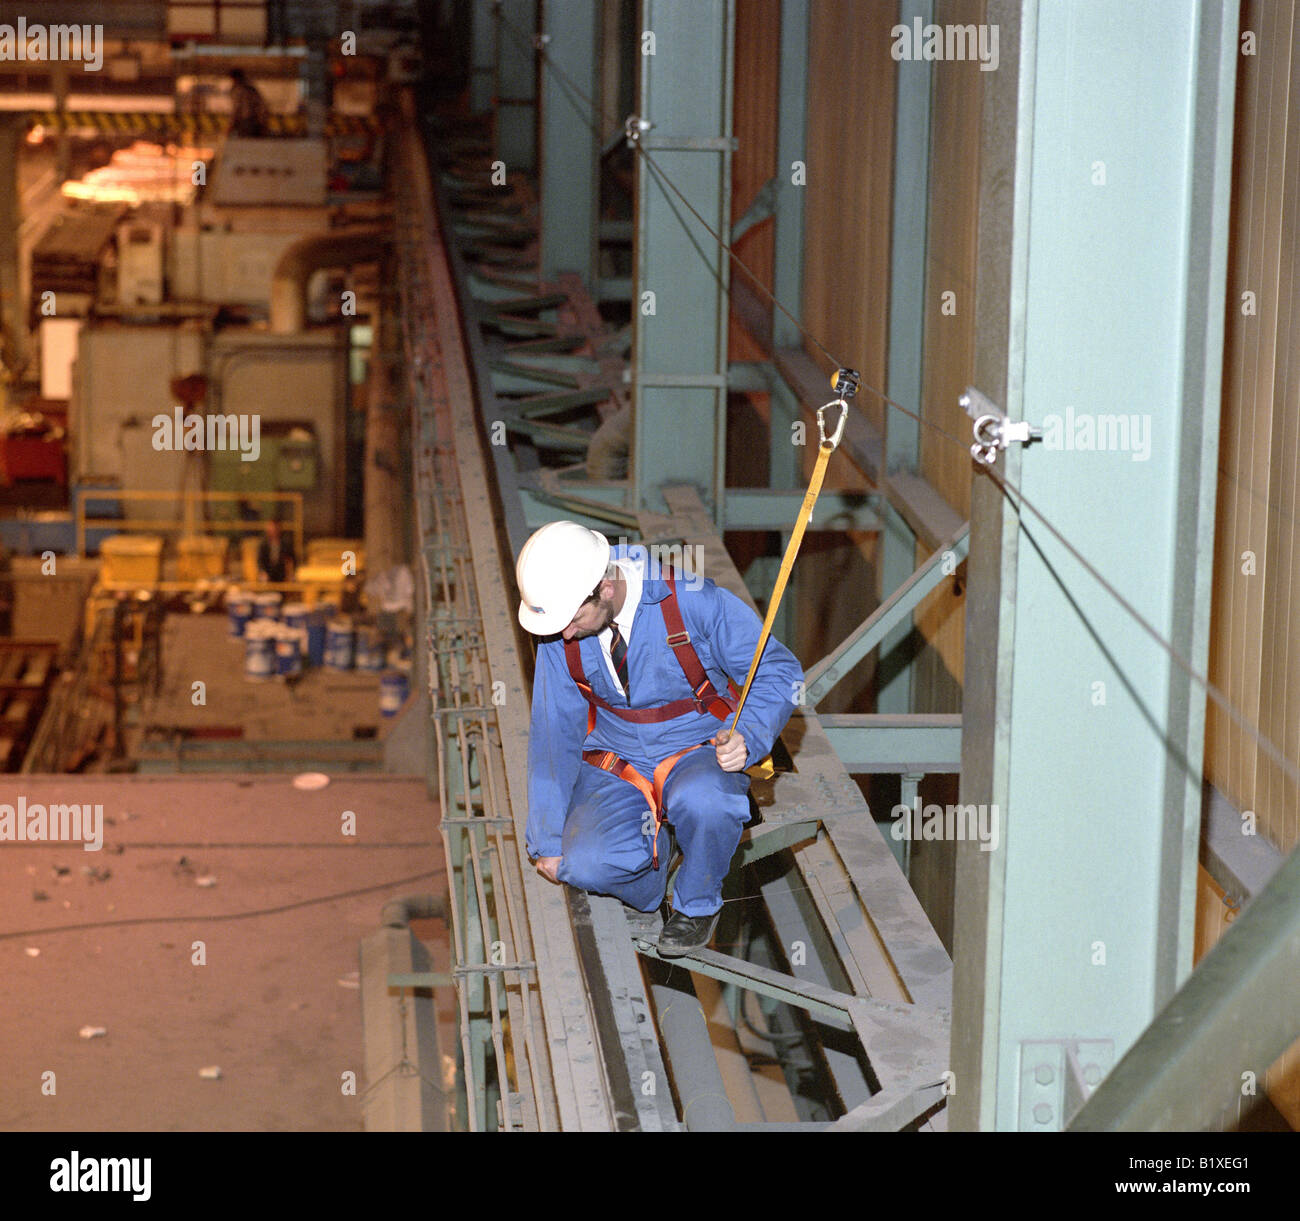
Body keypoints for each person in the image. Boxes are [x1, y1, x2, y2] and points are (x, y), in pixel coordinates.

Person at [517, 521, 803, 957]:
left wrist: (748, 734)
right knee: (586, 865)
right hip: (617, 758)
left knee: (707, 803)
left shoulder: (692, 601)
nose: (566, 634)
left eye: (574, 619)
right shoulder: (562, 629)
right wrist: (548, 839)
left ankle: (696, 904)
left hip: (695, 748)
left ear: (606, 588)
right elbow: (554, 730)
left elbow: (779, 671)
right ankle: (654, 862)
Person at [228, 68, 270, 138]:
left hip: (246, 121)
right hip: (254, 121)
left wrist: (231, 124)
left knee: (246, 141)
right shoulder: (251, 88)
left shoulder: (238, 90)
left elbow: (237, 109)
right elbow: (261, 106)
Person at [257, 518, 295, 583]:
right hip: (267, 576)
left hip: (282, 577)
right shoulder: (263, 545)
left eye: (275, 528)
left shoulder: (286, 544)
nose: (273, 530)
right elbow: (260, 561)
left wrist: (290, 574)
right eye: (271, 528)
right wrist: (262, 572)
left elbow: (291, 560)